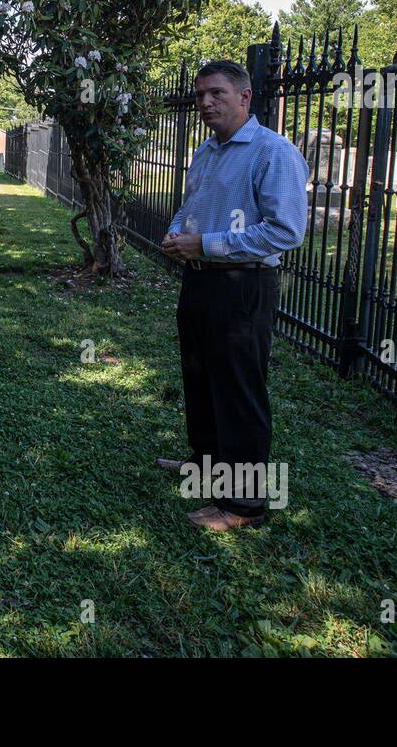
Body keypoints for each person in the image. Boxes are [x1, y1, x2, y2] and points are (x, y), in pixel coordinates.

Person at [158, 60, 309, 532]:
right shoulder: (206, 151)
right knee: (199, 377)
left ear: (245, 97)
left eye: (217, 93)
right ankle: (205, 465)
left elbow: (285, 231)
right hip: (200, 281)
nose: (206, 102)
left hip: (243, 285)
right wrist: (177, 232)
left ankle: (243, 506)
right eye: (201, 94)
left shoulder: (272, 152)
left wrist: (207, 244)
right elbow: (192, 205)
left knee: (239, 390)